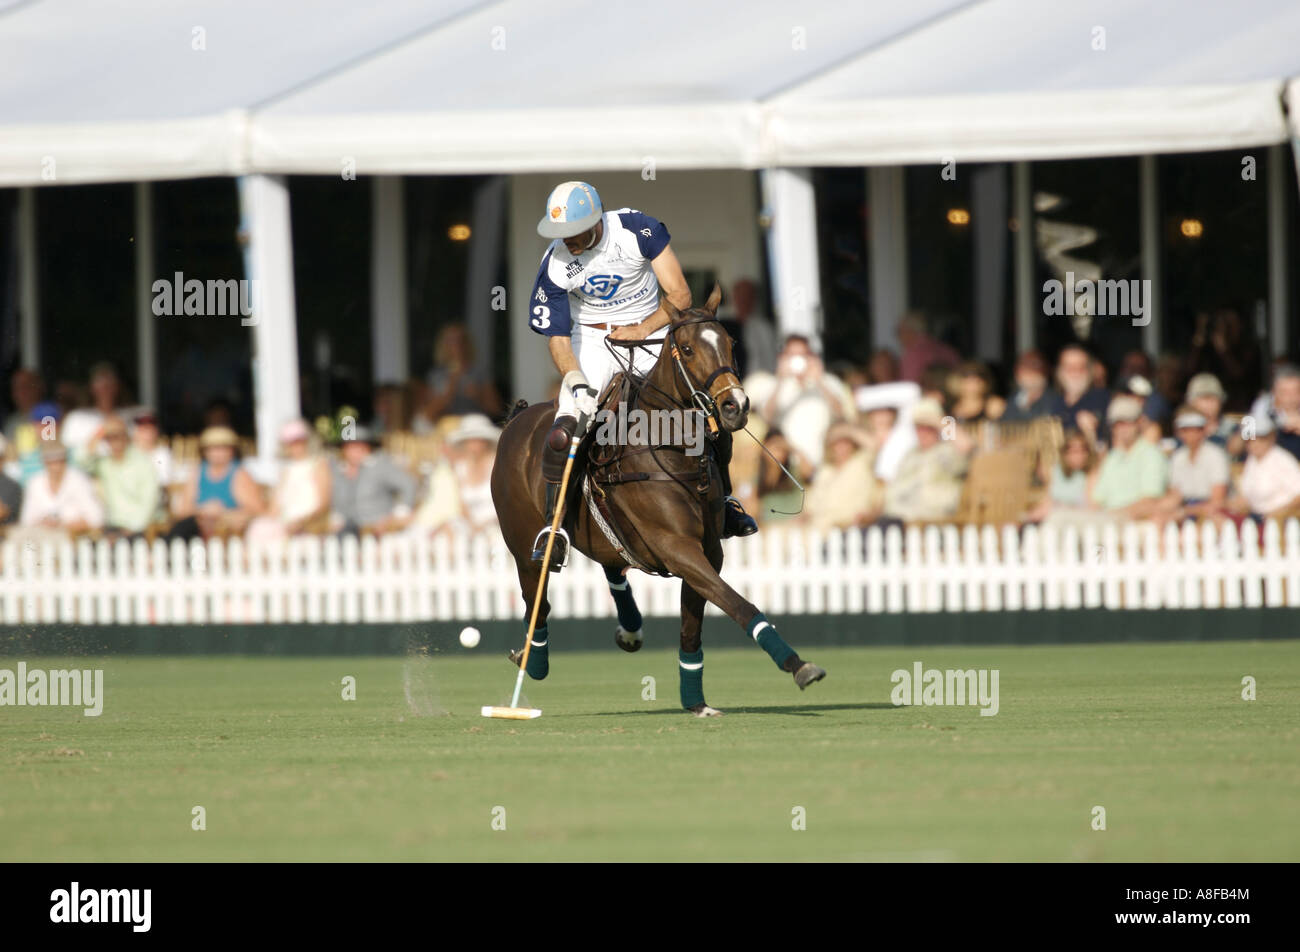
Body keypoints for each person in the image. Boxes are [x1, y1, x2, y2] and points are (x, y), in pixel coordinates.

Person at [526, 180, 756, 569]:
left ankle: (727, 501)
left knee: (704, 412)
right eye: (560, 234)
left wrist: (641, 330)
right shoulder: (556, 264)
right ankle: (555, 528)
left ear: (595, 221)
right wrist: (576, 381)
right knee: (567, 428)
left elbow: (680, 296)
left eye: (573, 233)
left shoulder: (637, 230)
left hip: (652, 330)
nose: (567, 241)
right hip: (592, 340)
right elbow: (558, 340)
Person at [881, 397, 973, 524]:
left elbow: (966, 445)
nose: (922, 432)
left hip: (927, 521)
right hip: (895, 517)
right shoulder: (911, 454)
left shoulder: (946, 450)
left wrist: (938, 420)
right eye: (918, 427)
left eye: (928, 427)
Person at [168, 426, 264, 541]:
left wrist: (224, 514)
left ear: (232, 450)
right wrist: (203, 511)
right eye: (213, 448)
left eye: (223, 448)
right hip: (197, 530)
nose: (218, 453)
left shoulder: (240, 474)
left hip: (228, 534)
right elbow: (183, 511)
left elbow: (257, 510)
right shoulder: (197, 472)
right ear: (205, 451)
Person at [246, 419, 332, 544]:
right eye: (290, 443)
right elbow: (275, 506)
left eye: (299, 442)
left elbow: (324, 502)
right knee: (259, 528)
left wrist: (302, 521)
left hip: (309, 523)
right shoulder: (286, 470)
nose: (295, 446)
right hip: (285, 523)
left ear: (307, 441)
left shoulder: (318, 465)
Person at [1089, 395, 1168, 520]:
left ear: (1139, 422)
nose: (1122, 429)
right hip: (1107, 521)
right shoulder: (1112, 458)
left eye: (1127, 423)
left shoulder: (1151, 455)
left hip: (1136, 523)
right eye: (1117, 424)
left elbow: (1150, 502)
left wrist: (1114, 515)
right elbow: (1097, 500)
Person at [331, 426, 416, 536]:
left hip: (378, 530)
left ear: (367, 447)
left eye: (359, 447)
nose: (354, 451)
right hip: (348, 530)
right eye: (350, 447)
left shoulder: (380, 465)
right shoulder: (339, 471)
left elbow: (408, 484)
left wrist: (399, 514)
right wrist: (337, 516)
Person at [804, 421, 883, 531]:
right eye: (836, 442)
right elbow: (811, 505)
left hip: (849, 527)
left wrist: (846, 430)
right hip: (819, 527)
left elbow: (874, 445)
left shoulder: (860, 462)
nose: (841, 446)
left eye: (846, 442)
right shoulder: (825, 470)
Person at [92, 414, 161, 537]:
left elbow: (149, 503)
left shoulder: (143, 463)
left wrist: (131, 530)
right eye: (110, 438)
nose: (114, 442)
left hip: (138, 529)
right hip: (111, 527)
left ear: (126, 438)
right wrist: (100, 432)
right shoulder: (103, 463)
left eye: (118, 436)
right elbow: (81, 459)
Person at [1158, 407, 1230, 524]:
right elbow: (1174, 495)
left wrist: (1185, 511)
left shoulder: (1215, 455)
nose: (1191, 434)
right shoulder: (1178, 457)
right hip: (1185, 509)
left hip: (1209, 511)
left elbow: (1218, 501)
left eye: (1196, 429)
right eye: (1185, 430)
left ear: (1203, 430)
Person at [18, 442, 103, 538]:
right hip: (42, 538)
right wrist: (44, 522)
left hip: (73, 537)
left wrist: (68, 525)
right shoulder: (35, 483)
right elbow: (26, 520)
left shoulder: (78, 480)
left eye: (59, 461)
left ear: (65, 461)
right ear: (44, 462)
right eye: (51, 462)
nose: (56, 466)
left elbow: (96, 517)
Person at [424, 324, 502, 421]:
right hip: (448, 425)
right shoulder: (436, 375)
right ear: (443, 345)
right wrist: (451, 386)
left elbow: (496, 409)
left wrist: (478, 395)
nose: (457, 345)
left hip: (475, 424)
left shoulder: (480, 372)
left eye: (460, 340)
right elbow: (429, 414)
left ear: (467, 344)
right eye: (451, 341)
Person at [1233, 414, 1300, 520]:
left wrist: (1278, 513)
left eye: (1261, 439)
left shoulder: (1282, 460)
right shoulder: (1252, 460)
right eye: (1250, 439)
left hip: (1281, 520)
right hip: (1255, 516)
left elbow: (1298, 495)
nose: (1254, 443)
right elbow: (1247, 496)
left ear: (1271, 438)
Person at [1045, 344, 1112, 445]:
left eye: (1081, 367)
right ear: (1059, 372)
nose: (1076, 372)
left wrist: (1090, 432)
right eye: (1069, 367)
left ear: (1090, 371)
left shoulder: (1102, 399)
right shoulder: (1053, 404)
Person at [1031, 429, 1098, 525]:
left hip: (1077, 520)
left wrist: (1060, 508)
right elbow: (1047, 500)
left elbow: (1092, 508)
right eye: (1074, 451)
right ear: (1065, 453)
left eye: (1083, 450)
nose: (1079, 455)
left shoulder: (1090, 475)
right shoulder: (1056, 472)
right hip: (1053, 518)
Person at [717, 277, 777, 374]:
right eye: (740, 295)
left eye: (747, 295)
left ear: (754, 298)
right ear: (733, 296)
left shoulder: (763, 327)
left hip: (757, 381)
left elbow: (771, 358)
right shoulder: (721, 324)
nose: (743, 299)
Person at [1246, 364, 1300, 461]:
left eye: (1296, 392)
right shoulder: (1262, 405)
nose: (1292, 398)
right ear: (1274, 393)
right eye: (1285, 392)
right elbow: (1245, 439)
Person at [897, 311, 959, 384]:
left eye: (900, 331)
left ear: (910, 331)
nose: (899, 337)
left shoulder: (913, 355)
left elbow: (909, 386)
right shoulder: (948, 350)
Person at [1000, 351, 1053, 422]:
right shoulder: (1010, 401)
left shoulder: (1055, 402)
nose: (1029, 376)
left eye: (1034, 370)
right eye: (1024, 370)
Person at [1184, 374, 1235, 448]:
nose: (1210, 404)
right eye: (1204, 398)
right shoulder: (1185, 428)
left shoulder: (1232, 427)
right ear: (1191, 402)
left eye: (1214, 398)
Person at [4, 368, 44, 444]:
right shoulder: (11, 423)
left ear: (38, 388)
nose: (21, 392)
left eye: (25, 386)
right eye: (17, 388)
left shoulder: (52, 416)